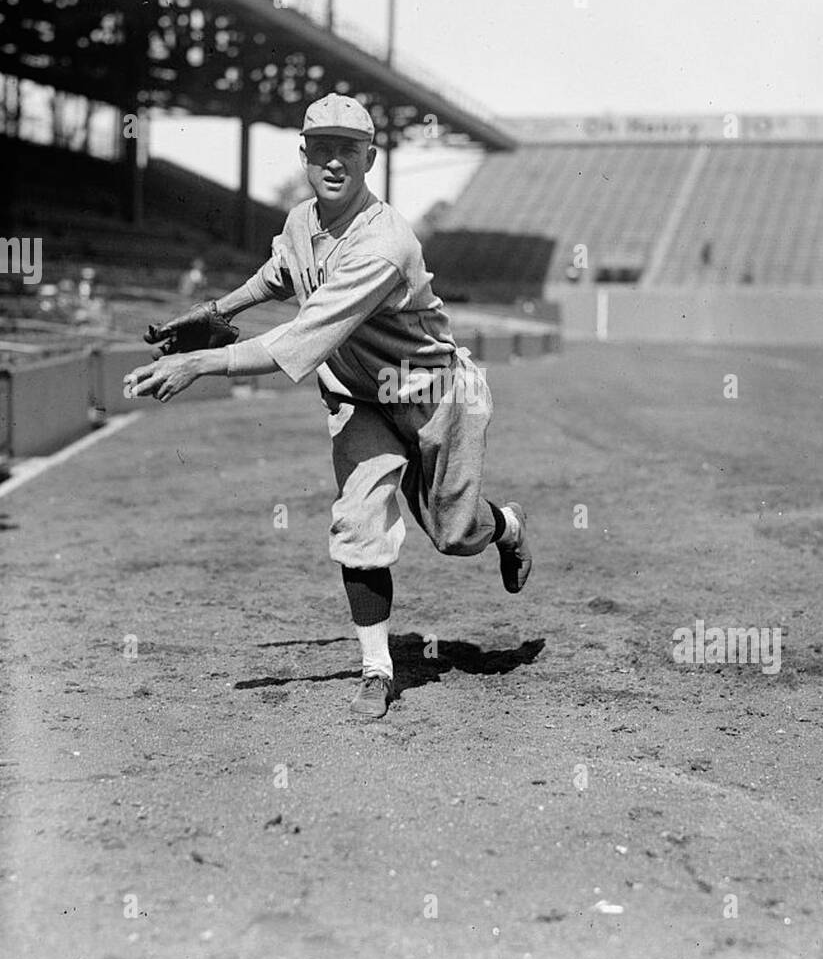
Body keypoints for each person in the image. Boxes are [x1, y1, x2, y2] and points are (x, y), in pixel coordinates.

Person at [124, 93, 532, 720]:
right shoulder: (300, 220)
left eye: (349, 148)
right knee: (358, 521)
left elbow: (300, 337)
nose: (334, 161)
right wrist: (217, 312)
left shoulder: (385, 242)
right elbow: (279, 272)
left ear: (370, 157)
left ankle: (504, 525)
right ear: (304, 154)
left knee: (454, 534)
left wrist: (198, 361)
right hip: (359, 398)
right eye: (323, 147)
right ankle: (376, 668)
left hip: (432, 394)